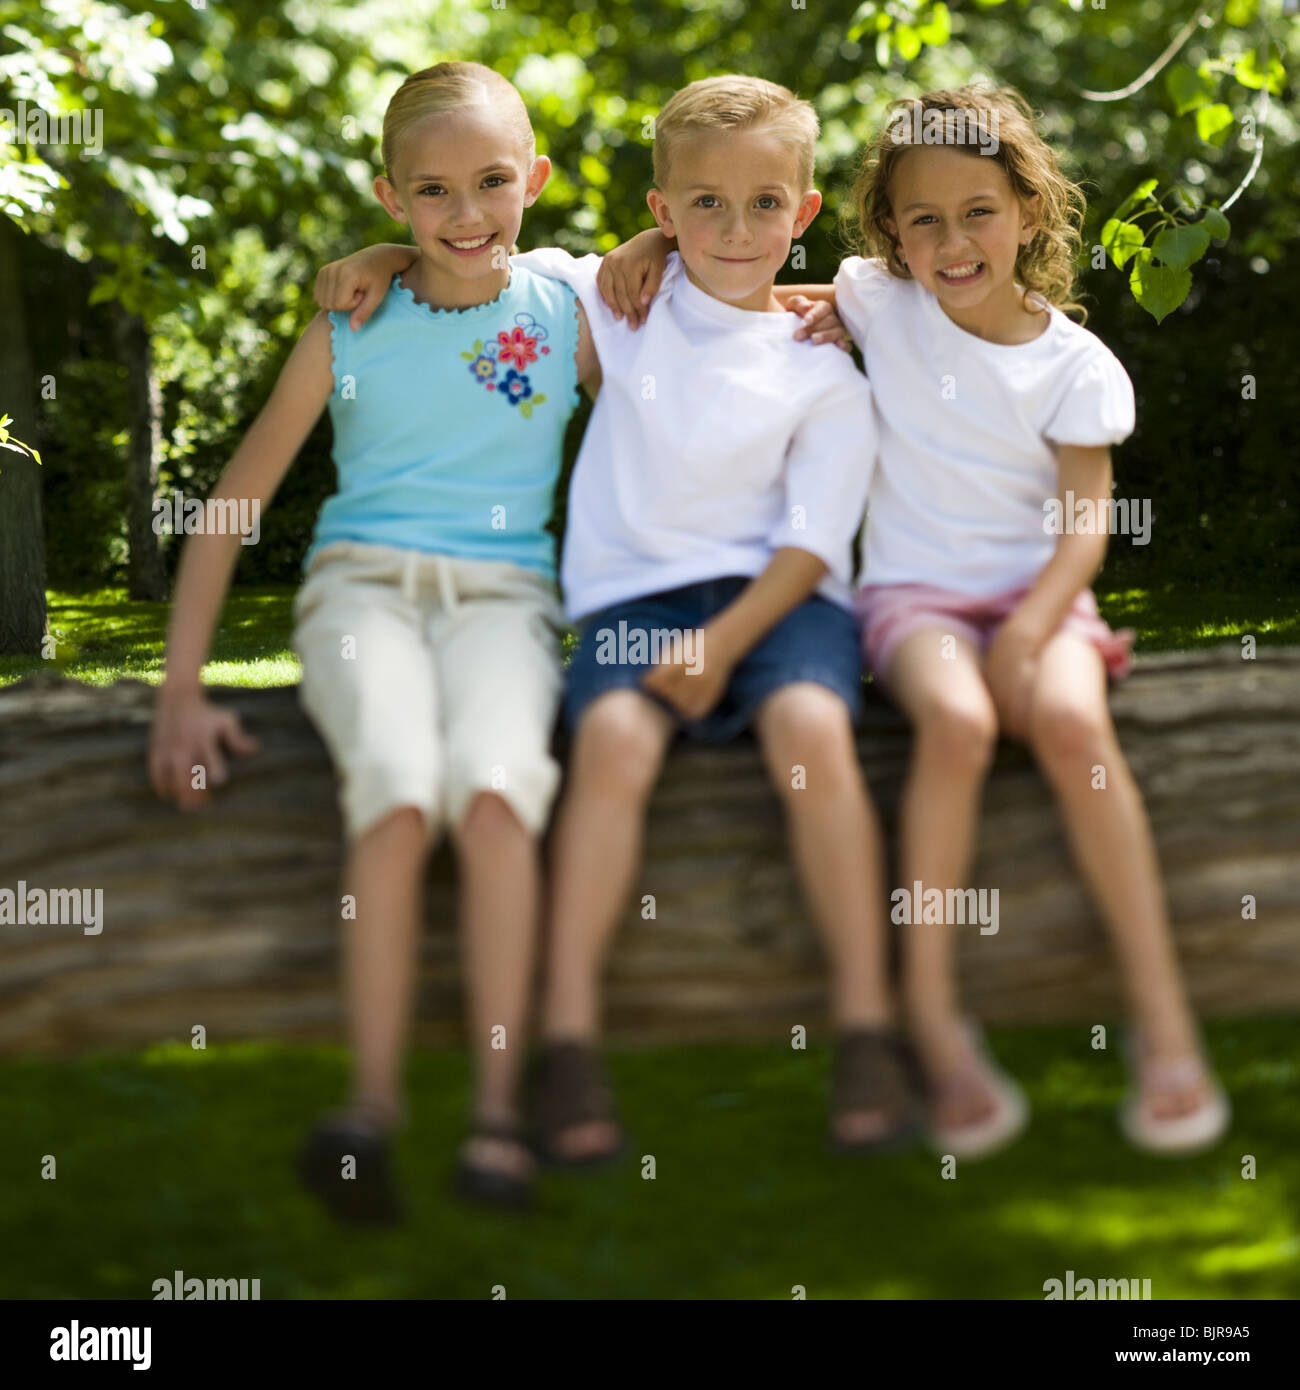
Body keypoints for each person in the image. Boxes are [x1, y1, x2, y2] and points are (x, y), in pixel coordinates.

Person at [317, 74, 919, 1164]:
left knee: (813, 737)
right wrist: (380, 259)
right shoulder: (610, 301)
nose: (734, 231)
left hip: (776, 604)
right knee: (609, 745)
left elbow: (811, 546)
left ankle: (869, 1026)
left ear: (805, 210)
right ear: (660, 211)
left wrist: (724, 645)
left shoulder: (827, 368)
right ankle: (566, 1043)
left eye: (764, 205)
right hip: (636, 599)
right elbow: (470, 249)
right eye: (704, 205)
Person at [150, 60, 600, 1216]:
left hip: (505, 600)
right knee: (398, 790)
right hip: (364, 593)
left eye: (492, 183)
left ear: (535, 181)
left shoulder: (567, 309)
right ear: (391, 197)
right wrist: (180, 691)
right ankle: (370, 1114)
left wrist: (820, 304)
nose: (465, 215)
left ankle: (498, 1119)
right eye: (433, 192)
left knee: (498, 794)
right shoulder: (351, 320)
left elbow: (704, 326)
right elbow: (233, 504)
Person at [776, 84, 1230, 1157]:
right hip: (916, 599)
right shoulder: (879, 302)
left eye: (977, 211)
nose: (951, 240)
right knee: (961, 723)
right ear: (890, 231)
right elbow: (736, 279)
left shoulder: (1075, 366)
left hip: (1040, 595)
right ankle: (932, 1017)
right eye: (921, 219)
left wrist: (1031, 631)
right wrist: (642, 258)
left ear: (1028, 211)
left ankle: (1162, 1018)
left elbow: (1083, 528)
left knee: (1072, 723)